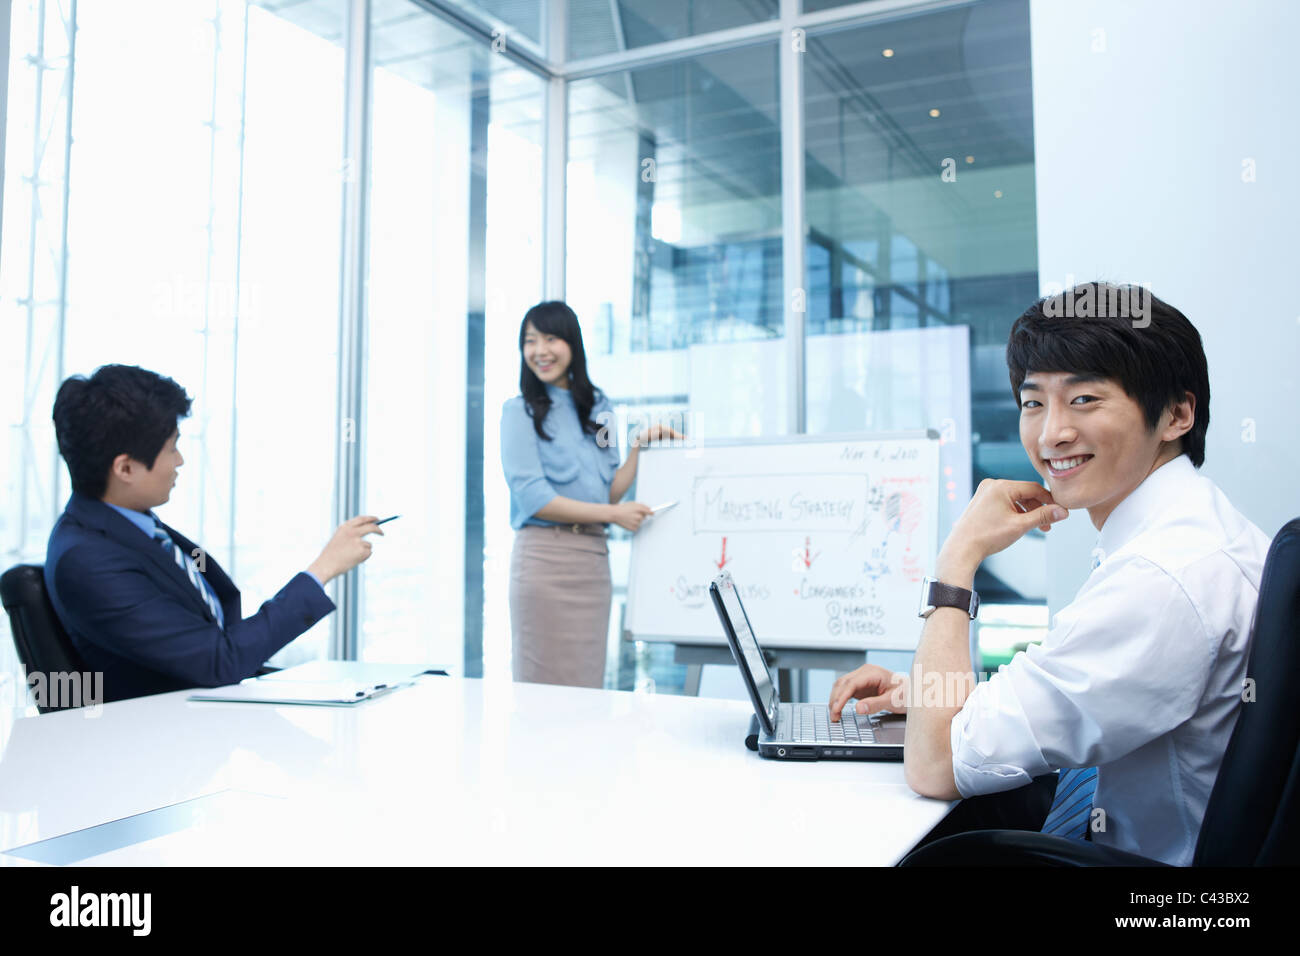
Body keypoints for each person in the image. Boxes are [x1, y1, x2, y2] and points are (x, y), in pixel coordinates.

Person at [828, 282, 1270, 866]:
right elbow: (1079, 688)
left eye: (1084, 400)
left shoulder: (1161, 578)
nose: (1050, 434)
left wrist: (958, 556)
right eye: (1034, 403)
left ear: (1176, 414)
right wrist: (937, 698)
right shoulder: (1188, 531)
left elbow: (934, 765)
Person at [44, 364, 383, 703]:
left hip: (224, 706)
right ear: (125, 468)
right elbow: (218, 661)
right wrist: (322, 570)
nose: (180, 461)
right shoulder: (86, 559)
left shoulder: (136, 526)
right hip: (174, 734)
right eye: (172, 448)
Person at [500, 301, 681, 688]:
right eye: (529, 341)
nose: (539, 350)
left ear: (572, 343)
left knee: (587, 690)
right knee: (540, 694)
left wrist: (638, 449)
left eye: (550, 338)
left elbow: (608, 493)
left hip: (591, 564)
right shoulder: (518, 413)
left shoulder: (600, 409)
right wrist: (612, 516)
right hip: (543, 564)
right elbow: (534, 498)